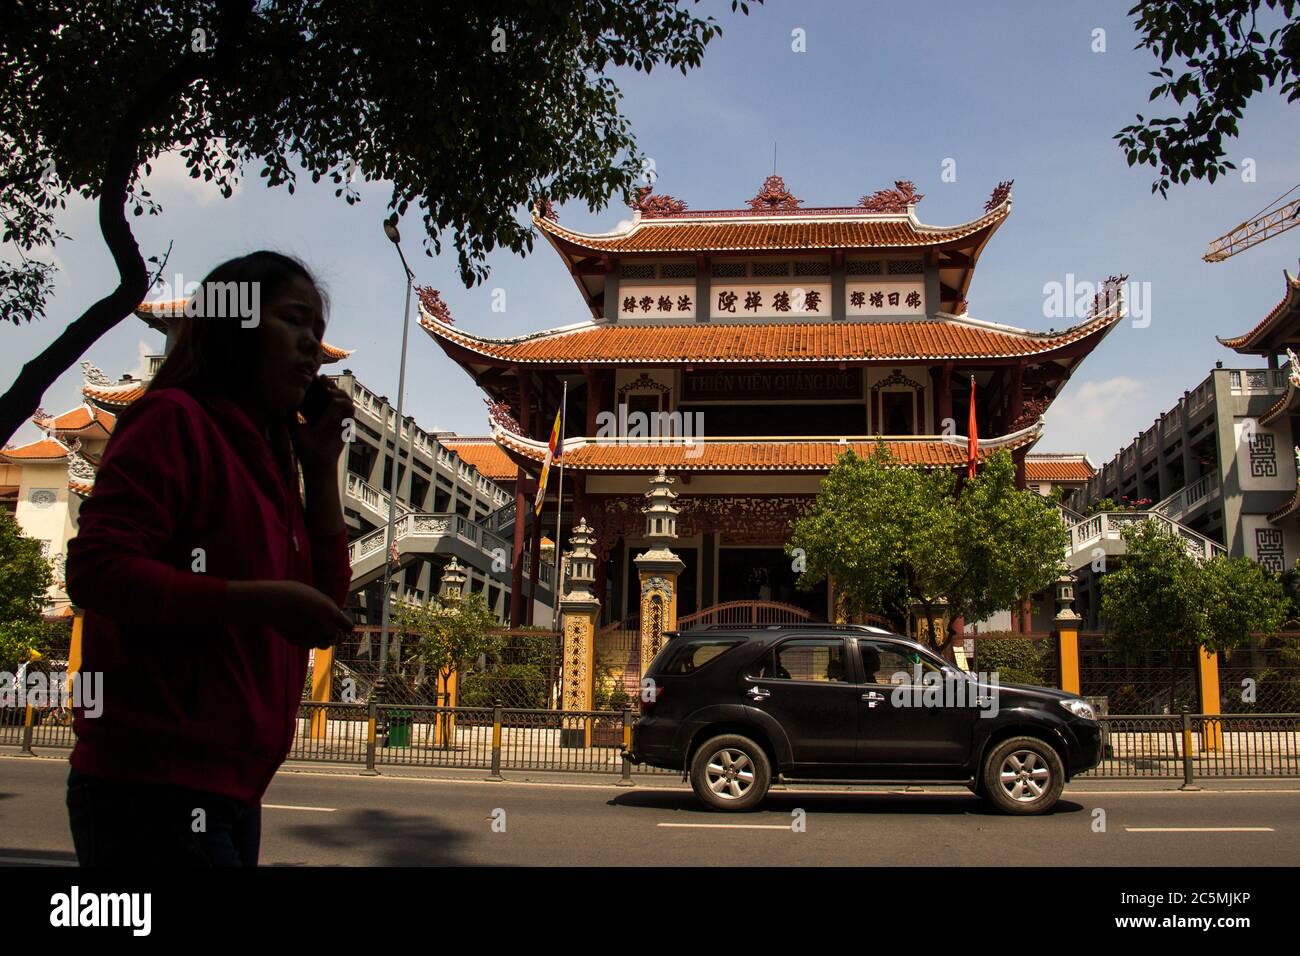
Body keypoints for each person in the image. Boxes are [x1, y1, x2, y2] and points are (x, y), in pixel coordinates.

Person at [64, 251, 354, 866]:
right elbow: (98, 571)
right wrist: (256, 603)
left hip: (233, 789)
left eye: (319, 334)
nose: (312, 348)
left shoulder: (273, 462)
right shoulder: (173, 422)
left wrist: (322, 466)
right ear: (236, 324)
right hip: (151, 784)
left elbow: (327, 600)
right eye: (295, 322)